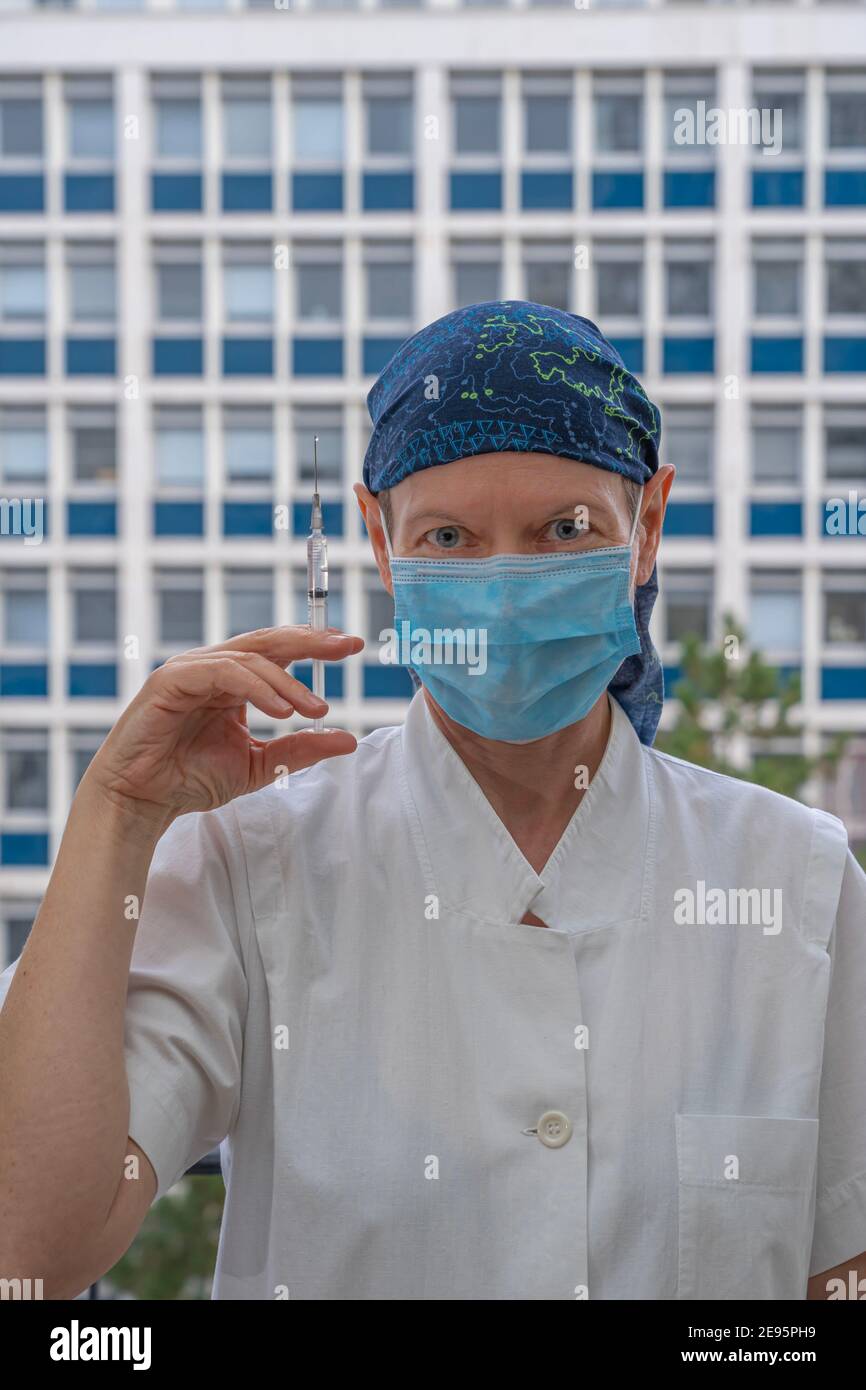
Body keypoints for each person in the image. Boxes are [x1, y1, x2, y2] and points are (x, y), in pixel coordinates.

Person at [1, 301, 864, 1301]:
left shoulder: (793, 883)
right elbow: (30, 1247)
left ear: (648, 524)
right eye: (448, 536)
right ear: (377, 540)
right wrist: (118, 811)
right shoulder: (253, 864)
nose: (502, 584)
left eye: (563, 529)